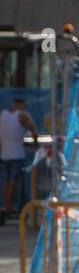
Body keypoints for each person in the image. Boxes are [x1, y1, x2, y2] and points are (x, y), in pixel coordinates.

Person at [0, 96, 39, 225]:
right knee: (13, 181)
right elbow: (33, 130)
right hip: (17, 154)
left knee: (6, 181)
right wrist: (36, 145)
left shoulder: (3, 115)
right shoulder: (22, 115)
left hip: (4, 154)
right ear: (20, 106)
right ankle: (9, 207)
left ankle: (6, 206)